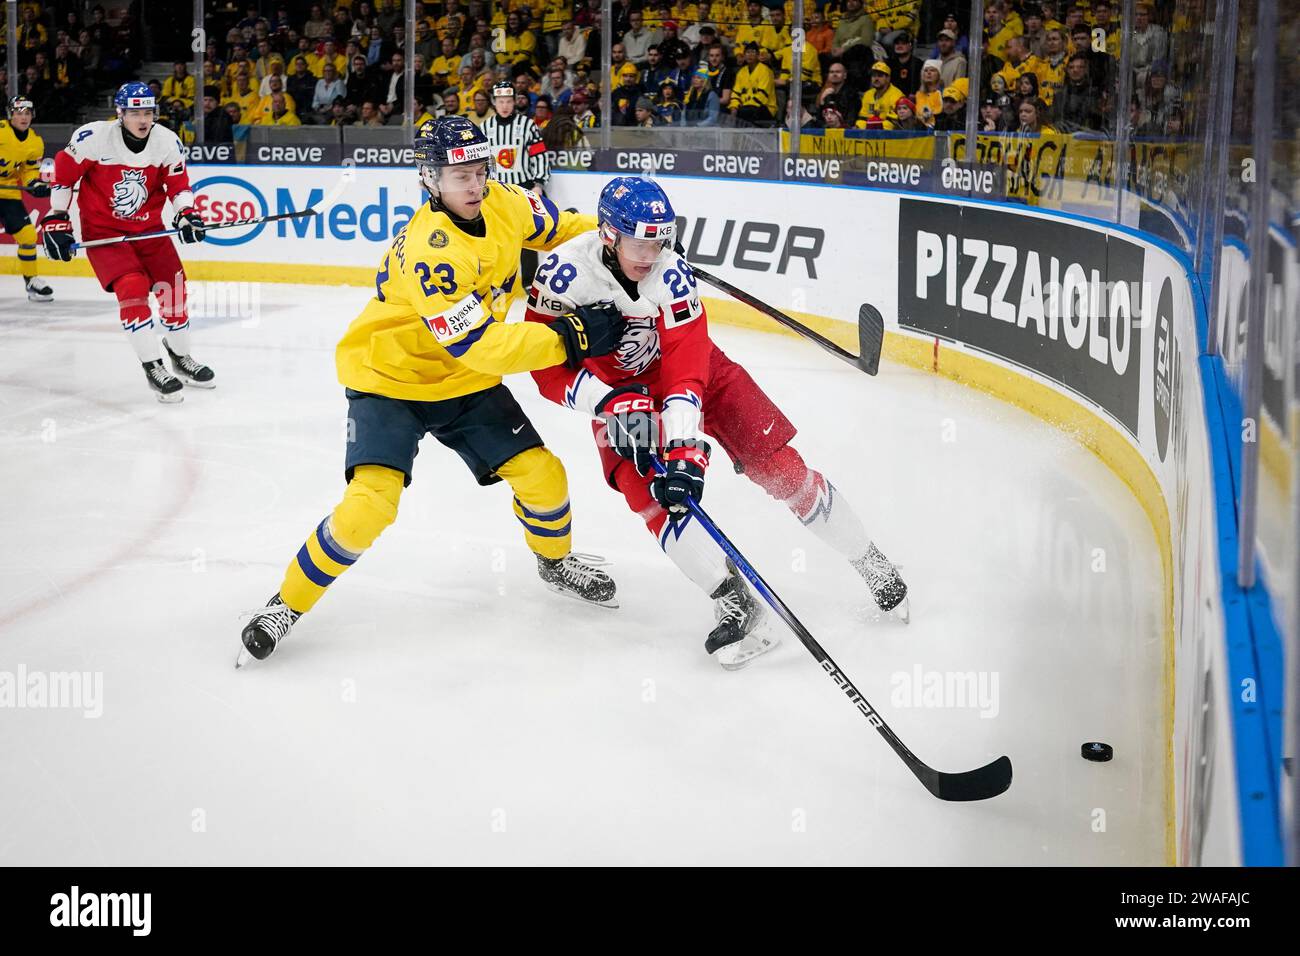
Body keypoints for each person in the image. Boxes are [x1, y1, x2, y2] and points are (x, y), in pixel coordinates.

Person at [237, 117, 630, 666]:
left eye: (479, 171)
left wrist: (624, 232)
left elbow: (564, 227)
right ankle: (286, 604)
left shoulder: (506, 202)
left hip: (460, 382)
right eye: (458, 176)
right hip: (389, 381)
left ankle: (555, 562)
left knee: (544, 476)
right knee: (368, 508)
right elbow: (482, 345)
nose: (474, 186)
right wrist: (571, 337)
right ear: (429, 178)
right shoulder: (432, 250)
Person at [524, 178, 908, 669]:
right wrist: (610, 402)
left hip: (702, 373)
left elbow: (687, 369)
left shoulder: (670, 274)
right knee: (649, 495)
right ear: (608, 235)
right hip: (619, 395)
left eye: (661, 240)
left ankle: (868, 559)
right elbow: (546, 368)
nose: (652, 253)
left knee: (778, 467)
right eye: (640, 242)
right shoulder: (561, 276)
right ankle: (734, 599)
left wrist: (684, 449)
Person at [39, 82, 214, 402]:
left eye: (148, 112)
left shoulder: (166, 142)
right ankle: (153, 366)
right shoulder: (93, 138)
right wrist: (56, 216)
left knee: (174, 291)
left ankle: (180, 357)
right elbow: (64, 176)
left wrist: (186, 214)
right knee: (132, 289)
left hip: (150, 231)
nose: (143, 119)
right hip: (105, 234)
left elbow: (178, 186)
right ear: (119, 114)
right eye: (135, 112)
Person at [0, 96, 54, 302]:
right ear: (10, 114)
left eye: (27, 113)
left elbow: (29, 170)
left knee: (28, 236)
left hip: (7, 193)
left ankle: (31, 281)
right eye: (18, 113)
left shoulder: (35, 142)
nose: (23, 117)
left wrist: (35, 185)